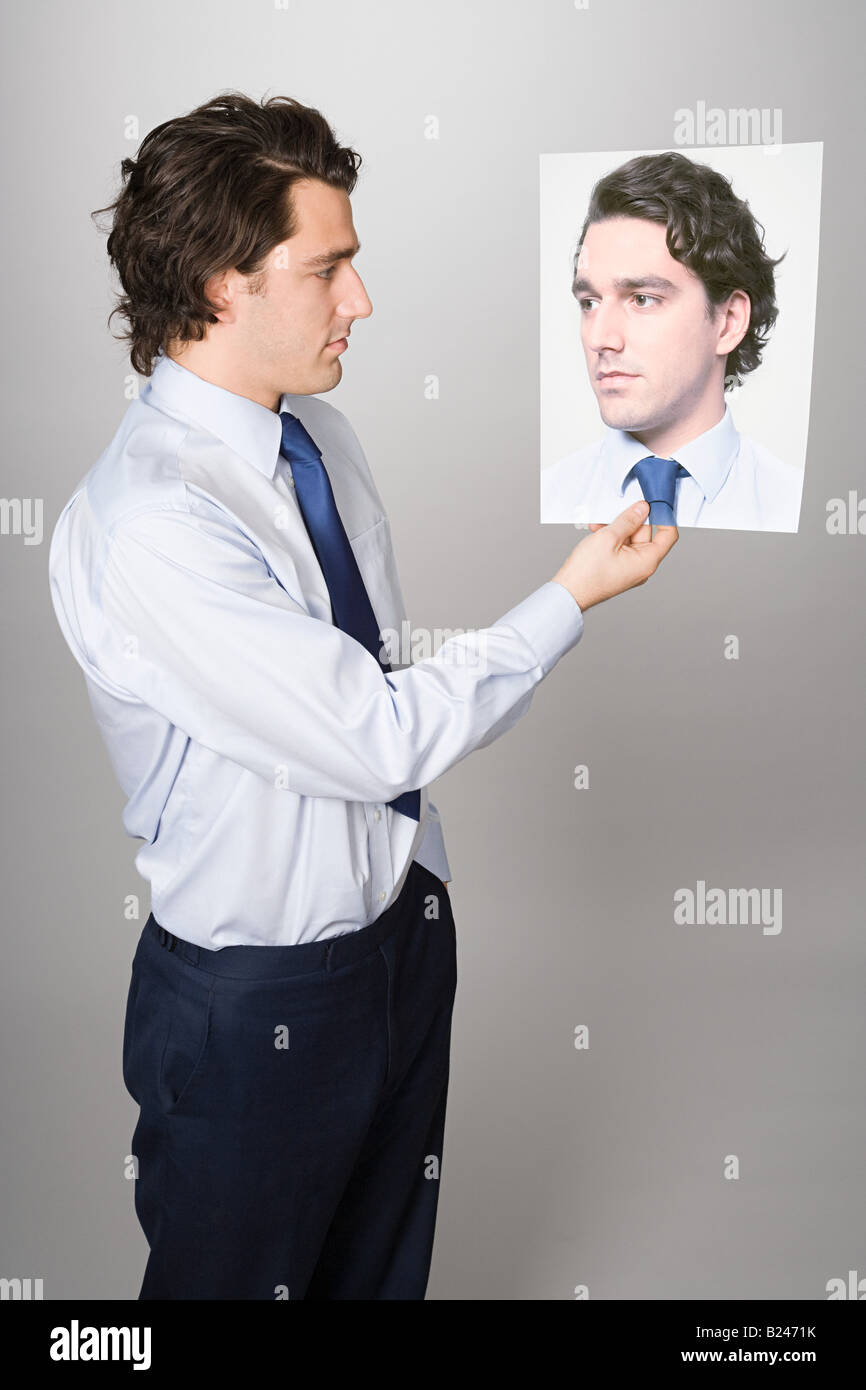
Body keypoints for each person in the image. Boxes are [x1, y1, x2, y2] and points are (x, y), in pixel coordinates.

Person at [47, 91, 677, 1301]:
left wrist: (416, 896)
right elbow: (376, 731)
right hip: (257, 999)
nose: (362, 299)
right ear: (226, 283)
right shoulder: (151, 525)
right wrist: (570, 596)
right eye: (327, 267)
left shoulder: (318, 439)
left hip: (398, 945)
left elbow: (374, 670)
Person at [541, 151, 803, 532]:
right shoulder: (548, 497)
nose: (600, 338)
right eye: (589, 302)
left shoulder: (792, 505)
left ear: (729, 322)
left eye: (642, 299)